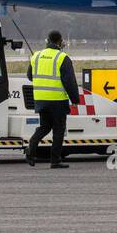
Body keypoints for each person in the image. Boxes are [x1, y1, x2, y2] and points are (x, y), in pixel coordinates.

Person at [26, 31, 79, 169]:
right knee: (58, 130)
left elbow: (30, 76)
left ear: (47, 40)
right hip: (57, 100)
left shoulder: (36, 56)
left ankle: (31, 150)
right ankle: (55, 160)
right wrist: (75, 98)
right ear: (60, 41)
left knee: (44, 127)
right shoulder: (62, 57)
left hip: (40, 99)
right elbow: (70, 81)